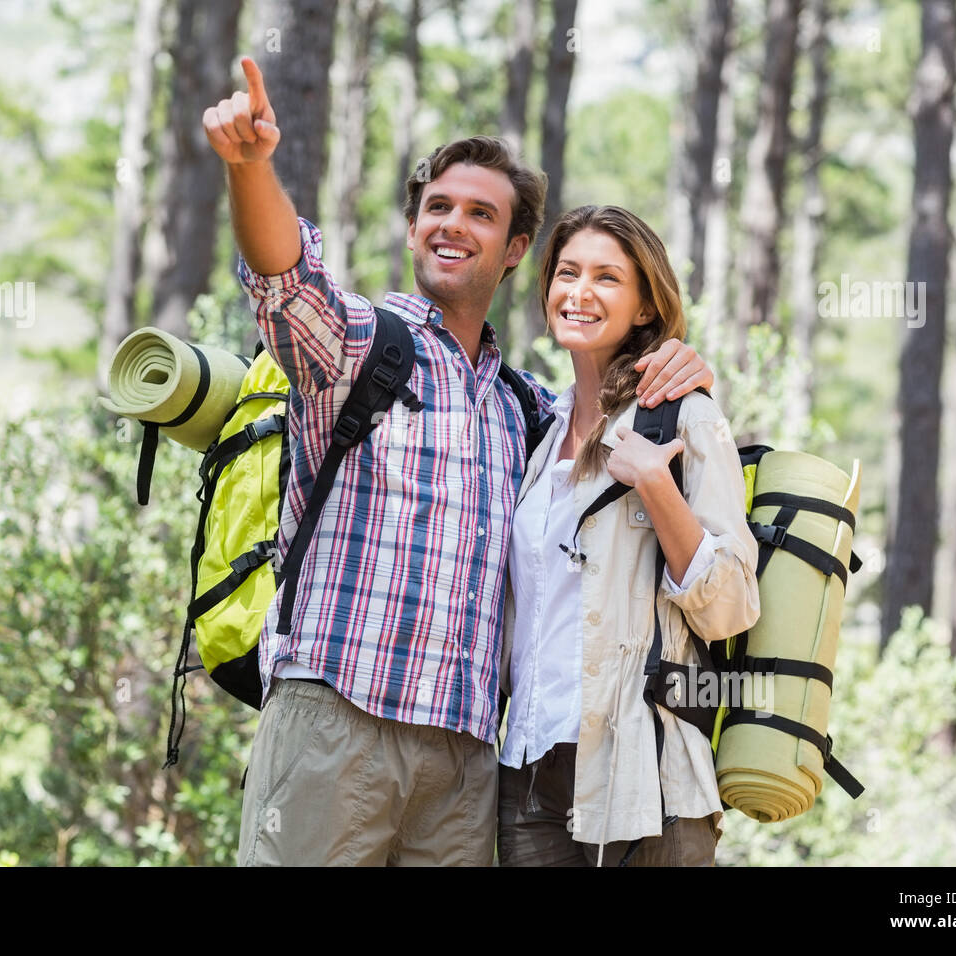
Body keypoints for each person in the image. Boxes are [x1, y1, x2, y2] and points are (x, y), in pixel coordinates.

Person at [204, 57, 716, 866]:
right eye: (437, 208)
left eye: (481, 214)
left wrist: (677, 362)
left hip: (470, 760)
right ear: (412, 229)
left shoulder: (531, 411)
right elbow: (284, 281)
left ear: (515, 250)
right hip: (339, 717)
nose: (452, 224)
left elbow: (603, 423)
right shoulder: (358, 345)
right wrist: (250, 166)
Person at [497, 205, 761, 867]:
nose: (579, 292)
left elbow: (731, 607)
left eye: (607, 278)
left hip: (646, 776)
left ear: (645, 307)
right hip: (530, 773)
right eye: (566, 273)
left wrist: (658, 488)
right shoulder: (539, 431)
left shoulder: (687, 417)